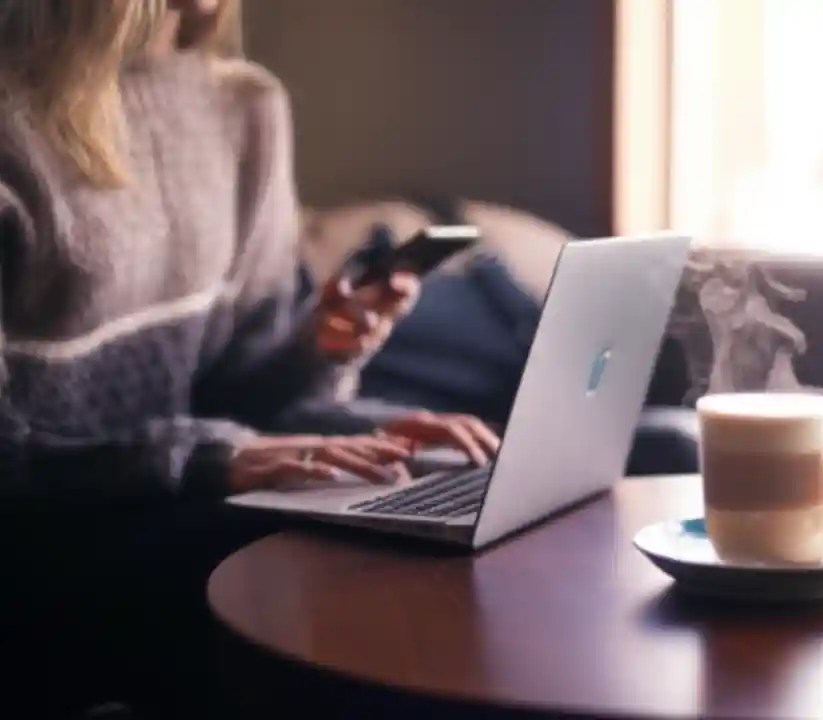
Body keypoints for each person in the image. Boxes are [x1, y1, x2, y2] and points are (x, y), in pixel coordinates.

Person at [0, 0, 496, 715]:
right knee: (359, 567)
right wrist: (213, 458)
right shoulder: (17, 122)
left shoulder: (245, 107)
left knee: (475, 477)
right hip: (51, 537)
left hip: (186, 489)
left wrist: (317, 352)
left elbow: (244, 392)